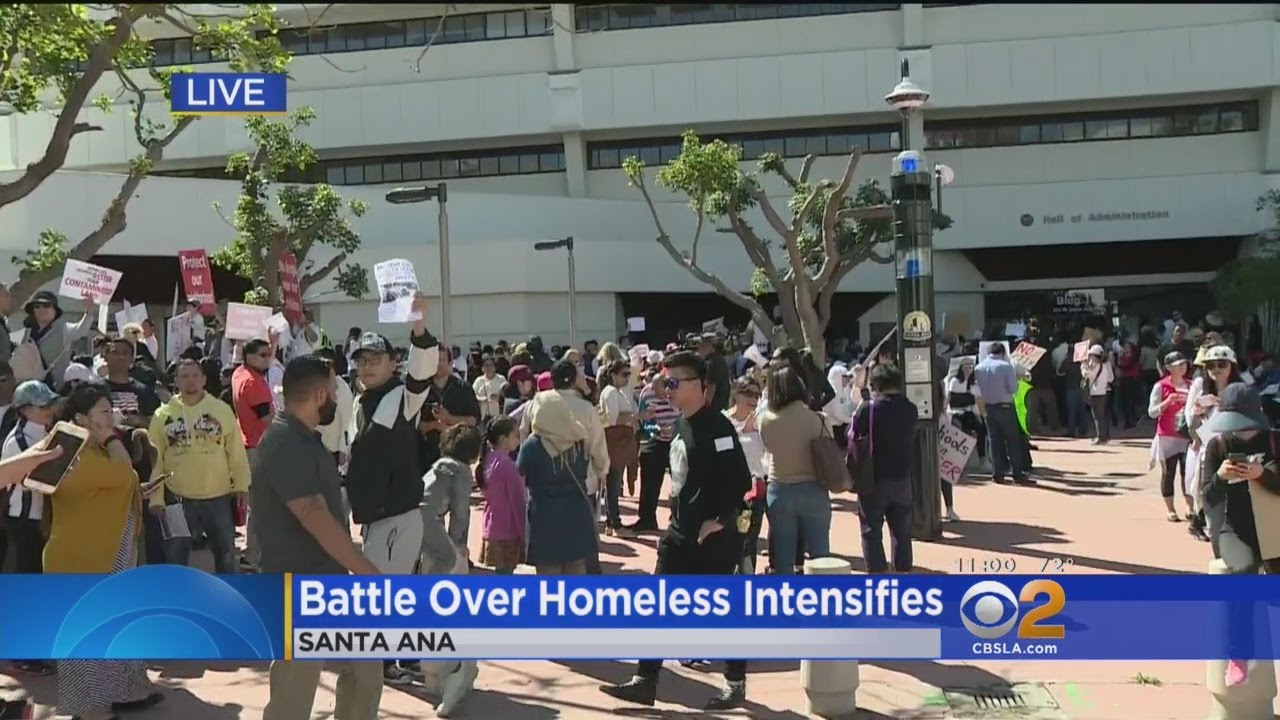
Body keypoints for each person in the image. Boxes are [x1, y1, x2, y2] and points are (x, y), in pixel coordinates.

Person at [599, 351, 751, 710]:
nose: (665, 389)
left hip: (714, 541)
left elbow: (742, 484)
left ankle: (735, 682)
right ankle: (644, 679)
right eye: (665, 382)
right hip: (680, 534)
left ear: (699, 387)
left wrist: (722, 521)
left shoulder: (718, 429)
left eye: (673, 383)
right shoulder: (683, 423)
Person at [255, 355, 383, 720]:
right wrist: (366, 569)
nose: (341, 399)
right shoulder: (284, 442)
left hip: (329, 580)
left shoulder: (305, 440)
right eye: (337, 391)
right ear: (321, 395)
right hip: (298, 585)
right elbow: (313, 515)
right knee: (294, 695)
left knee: (365, 667)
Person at [46, 383, 163, 720]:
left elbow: (113, 484)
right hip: (81, 559)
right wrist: (112, 438)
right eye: (104, 413)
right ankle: (92, 711)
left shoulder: (91, 449)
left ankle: (123, 694)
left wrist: (136, 489)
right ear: (82, 418)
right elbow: (120, 472)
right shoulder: (72, 452)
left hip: (109, 554)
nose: (112, 418)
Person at [344, 297, 437, 685]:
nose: (367, 366)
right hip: (373, 517)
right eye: (362, 360)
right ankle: (405, 654)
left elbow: (423, 370)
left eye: (375, 359)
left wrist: (417, 323)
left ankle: (387, 661)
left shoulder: (404, 395)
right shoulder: (359, 402)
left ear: (392, 362)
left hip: (397, 513)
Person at [1198, 382, 1280, 688]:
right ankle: (1239, 655)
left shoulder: (1274, 441)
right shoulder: (1217, 446)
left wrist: (1264, 475)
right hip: (1236, 529)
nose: (1239, 434)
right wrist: (1220, 477)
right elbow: (1208, 497)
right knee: (1243, 571)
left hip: (1274, 527)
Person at [147, 358, 251, 574]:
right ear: (176, 381)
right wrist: (156, 498)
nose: (190, 381)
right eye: (184, 376)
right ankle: (178, 599)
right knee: (175, 555)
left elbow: (236, 452)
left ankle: (229, 597)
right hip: (176, 499)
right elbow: (156, 459)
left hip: (218, 497)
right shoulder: (162, 415)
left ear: (204, 379)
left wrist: (241, 485)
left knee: (226, 554)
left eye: (195, 375)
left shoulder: (222, 410)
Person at [418, 424, 484, 716]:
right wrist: (460, 543)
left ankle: (453, 669)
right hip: (433, 533)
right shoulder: (460, 471)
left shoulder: (438, 466)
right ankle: (450, 670)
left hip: (422, 532)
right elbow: (461, 510)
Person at [520, 360, 609, 573]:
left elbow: (523, 437)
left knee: (547, 566)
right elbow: (598, 446)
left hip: (542, 507)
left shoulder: (537, 405)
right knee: (578, 560)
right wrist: (601, 473)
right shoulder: (585, 414)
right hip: (580, 492)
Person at [0, 380, 58, 677]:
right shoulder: (18, 440)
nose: (48, 410)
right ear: (24, 410)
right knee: (24, 583)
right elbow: (19, 477)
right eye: (42, 406)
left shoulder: (47, 433)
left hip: (41, 519)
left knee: (36, 583)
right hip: (22, 520)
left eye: (49, 404)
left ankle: (33, 648)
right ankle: (18, 653)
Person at [758, 366, 831, 575]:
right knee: (821, 557)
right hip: (814, 489)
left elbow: (767, 448)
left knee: (782, 560)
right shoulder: (820, 419)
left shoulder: (766, 420)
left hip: (780, 489)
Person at [851, 364, 920, 573]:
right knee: (901, 532)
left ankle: (878, 575)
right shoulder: (911, 408)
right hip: (902, 478)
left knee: (871, 531)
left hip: (873, 478)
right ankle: (903, 573)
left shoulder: (869, 408)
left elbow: (853, 434)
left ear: (875, 385)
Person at [974, 342, 1032, 485]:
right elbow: (1013, 389)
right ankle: (1017, 473)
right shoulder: (1006, 367)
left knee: (994, 441)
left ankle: (997, 473)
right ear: (1002, 353)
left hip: (988, 407)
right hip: (1005, 406)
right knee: (1012, 440)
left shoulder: (978, 368)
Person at [14, 292, 95, 387]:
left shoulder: (64, 329)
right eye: (37, 306)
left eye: (46, 305)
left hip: (55, 389)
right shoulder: (25, 333)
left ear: (55, 310)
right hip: (28, 388)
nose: (41, 309)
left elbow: (80, 329)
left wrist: (88, 312)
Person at [477, 416, 526, 574]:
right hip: (508, 529)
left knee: (500, 574)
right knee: (505, 574)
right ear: (503, 438)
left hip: (492, 526)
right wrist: (523, 532)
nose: (518, 440)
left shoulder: (488, 460)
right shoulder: (507, 465)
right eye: (515, 436)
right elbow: (517, 502)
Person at [1148, 351, 1193, 522]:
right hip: (1167, 434)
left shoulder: (1192, 385)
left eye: (1184, 364)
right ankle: (1170, 508)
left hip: (1187, 435)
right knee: (1169, 472)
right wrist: (1168, 402)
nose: (1182, 367)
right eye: (1178, 365)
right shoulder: (1161, 386)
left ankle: (1190, 506)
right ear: (1168, 368)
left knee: (1188, 472)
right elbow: (1151, 412)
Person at [598, 359, 638, 538]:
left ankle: (610, 521)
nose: (627, 378)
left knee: (612, 484)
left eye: (629, 374)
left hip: (617, 442)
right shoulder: (611, 393)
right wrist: (636, 416)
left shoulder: (616, 392)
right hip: (615, 442)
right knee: (613, 484)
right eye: (624, 374)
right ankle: (616, 524)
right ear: (613, 375)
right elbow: (613, 420)